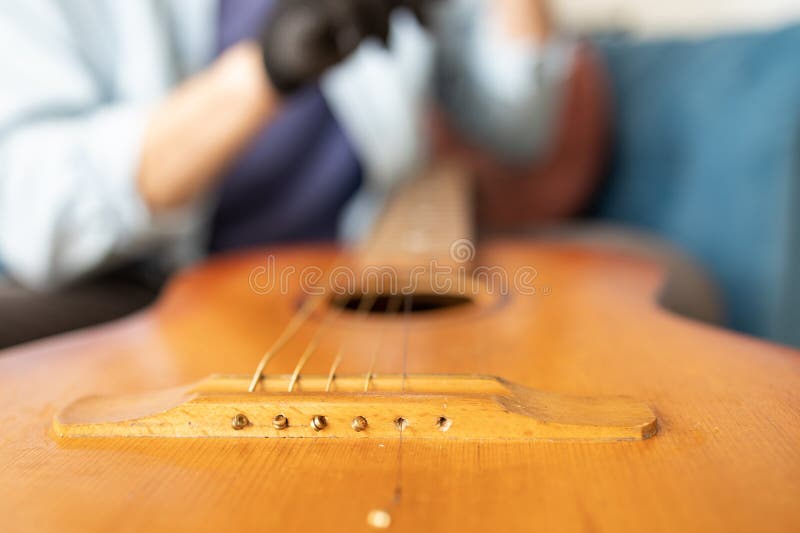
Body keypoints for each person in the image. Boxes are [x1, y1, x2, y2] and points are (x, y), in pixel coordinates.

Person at [0, 0, 610, 347]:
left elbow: (520, 131)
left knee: (649, 286)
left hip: (356, 275)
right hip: (137, 285)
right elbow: (34, 219)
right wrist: (264, 74)